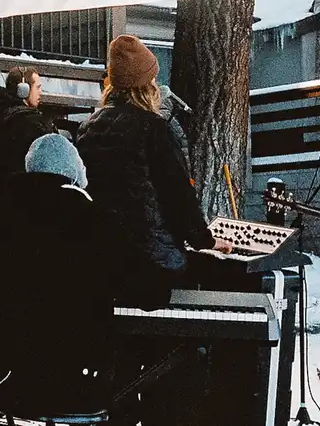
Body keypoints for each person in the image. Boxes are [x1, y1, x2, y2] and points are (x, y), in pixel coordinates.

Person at [75, 36, 231, 425]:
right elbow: (178, 197)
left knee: (123, 363)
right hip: (151, 269)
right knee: (172, 361)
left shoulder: (87, 129)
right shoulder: (152, 128)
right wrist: (208, 240)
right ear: (147, 85)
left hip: (102, 269)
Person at [0, 134, 138, 425]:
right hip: (80, 380)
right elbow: (139, 287)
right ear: (76, 174)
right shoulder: (100, 220)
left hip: (3, 376)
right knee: (130, 392)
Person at [0, 66, 54, 187]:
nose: (41, 92)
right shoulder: (31, 122)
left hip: (6, 191)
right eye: (37, 87)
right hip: (31, 191)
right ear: (24, 90)